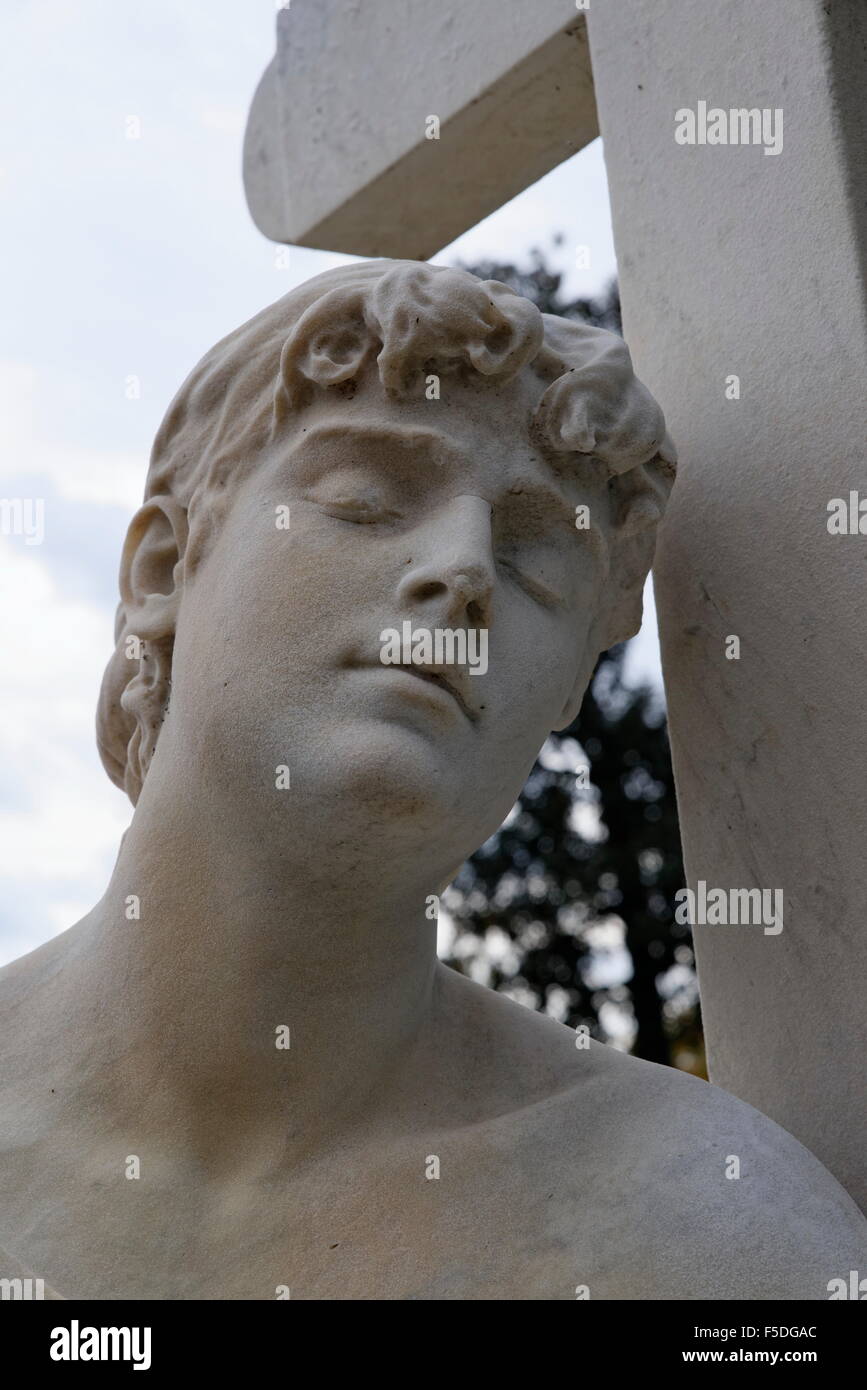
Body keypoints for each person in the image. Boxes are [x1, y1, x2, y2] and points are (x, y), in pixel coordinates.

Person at [1, 261, 863, 1299]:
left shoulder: (702, 1235)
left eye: (538, 564)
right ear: (158, 573)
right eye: (367, 499)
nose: (463, 570)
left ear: (563, 695)